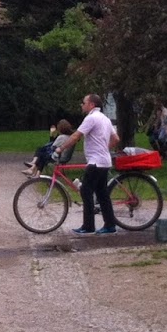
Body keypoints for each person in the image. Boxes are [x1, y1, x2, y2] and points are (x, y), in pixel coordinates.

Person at [55, 94, 121, 235]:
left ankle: (88, 226)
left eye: (83, 102)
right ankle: (110, 225)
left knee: (86, 191)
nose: (82, 105)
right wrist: (104, 148)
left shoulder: (91, 118)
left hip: (95, 162)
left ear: (91, 104)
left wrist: (60, 148)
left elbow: (75, 136)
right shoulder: (105, 119)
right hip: (104, 161)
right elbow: (116, 138)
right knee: (102, 194)